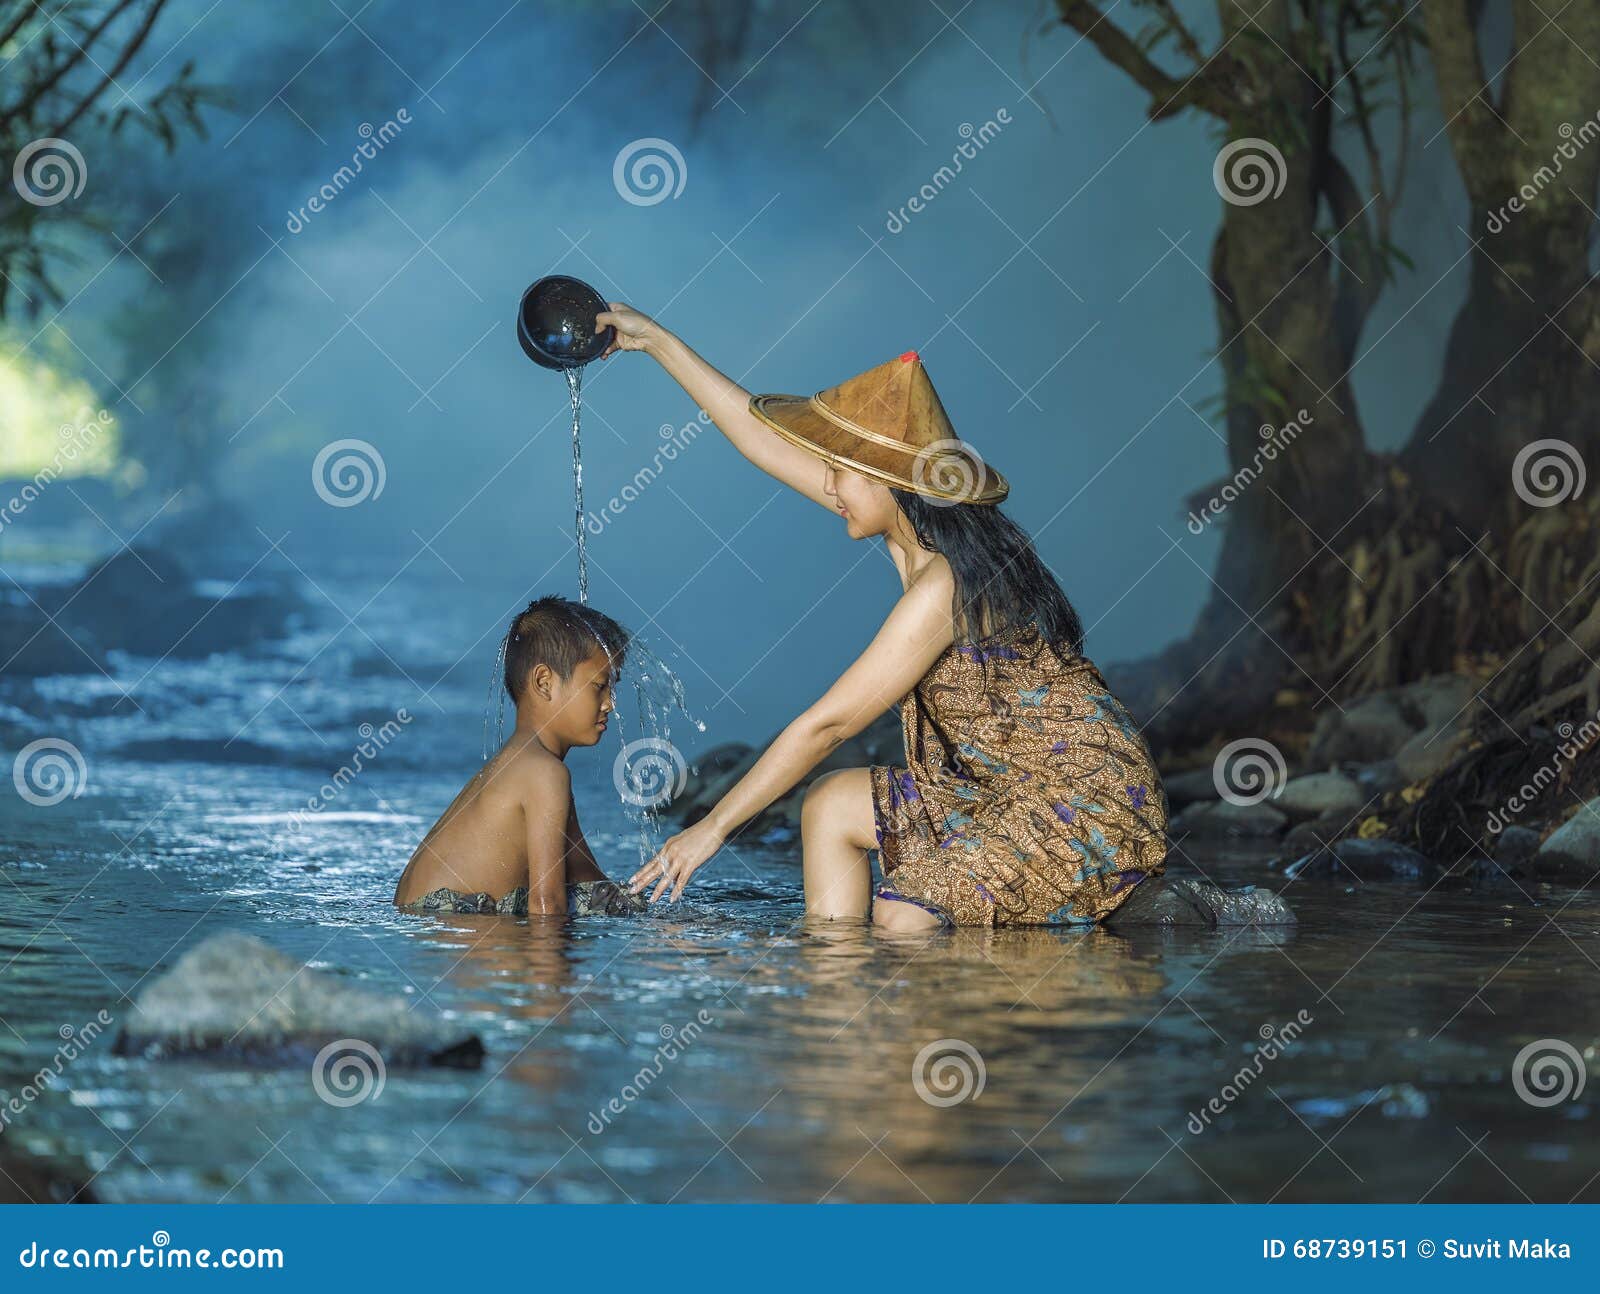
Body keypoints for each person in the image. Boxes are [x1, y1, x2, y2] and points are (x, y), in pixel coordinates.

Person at [597, 304, 1169, 930]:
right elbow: (759, 438)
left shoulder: (945, 586)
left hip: (1084, 804)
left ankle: (934, 1008)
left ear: (891, 480)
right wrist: (657, 343)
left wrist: (711, 829)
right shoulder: (906, 536)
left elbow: (830, 726)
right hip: (992, 791)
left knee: (901, 916)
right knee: (830, 806)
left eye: (842, 471)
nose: (830, 485)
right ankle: (837, 989)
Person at [393, 595, 645, 918]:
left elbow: (589, 876)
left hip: (422, 920)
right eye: (599, 686)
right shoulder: (544, 773)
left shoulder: (520, 763)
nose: (610, 703)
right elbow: (546, 907)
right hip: (449, 920)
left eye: (613, 687)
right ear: (544, 682)